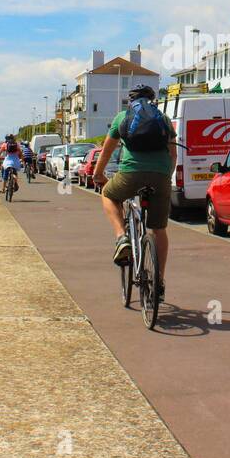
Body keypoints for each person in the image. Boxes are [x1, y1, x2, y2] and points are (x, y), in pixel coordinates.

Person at [92, 84, 177, 300]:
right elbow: (173, 154)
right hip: (161, 176)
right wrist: (165, 175)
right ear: (152, 100)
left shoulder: (123, 117)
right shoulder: (163, 119)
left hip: (131, 174)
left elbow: (106, 151)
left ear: (130, 101)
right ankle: (158, 282)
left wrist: (98, 175)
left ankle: (122, 238)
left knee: (109, 195)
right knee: (158, 229)